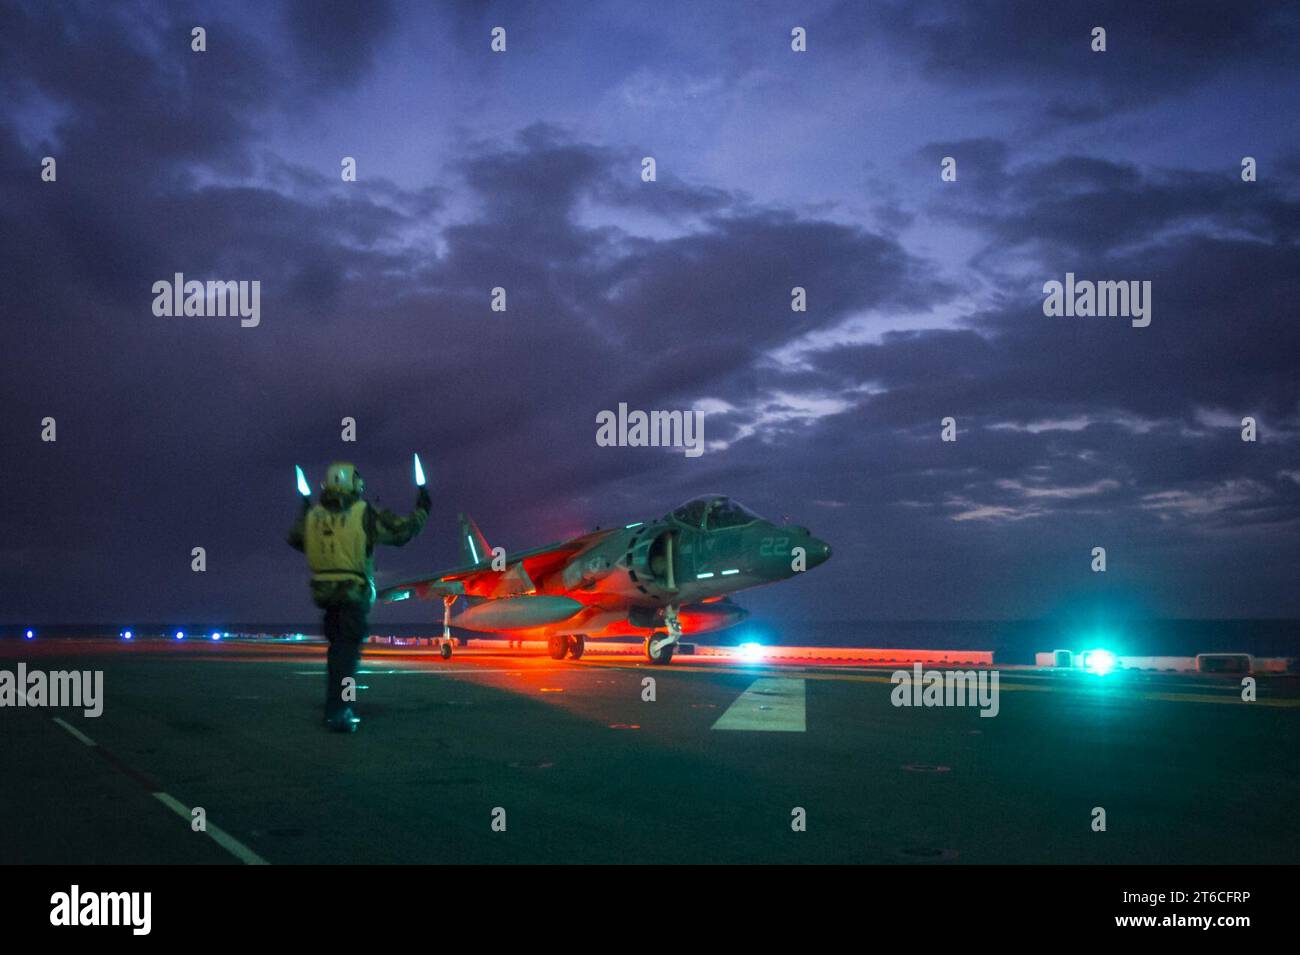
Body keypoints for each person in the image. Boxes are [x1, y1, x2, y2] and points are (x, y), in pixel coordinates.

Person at [288, 462, 430, 732]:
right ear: (353, 484)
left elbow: (297, 539)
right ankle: (340, 711)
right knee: (347, 653)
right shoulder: (363, 513)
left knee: (337, 652)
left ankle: (336, 706)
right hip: (353, 595)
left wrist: (307, 511)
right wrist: (423, 506)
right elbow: (402, 532)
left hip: (325, 596)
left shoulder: (314, 516)